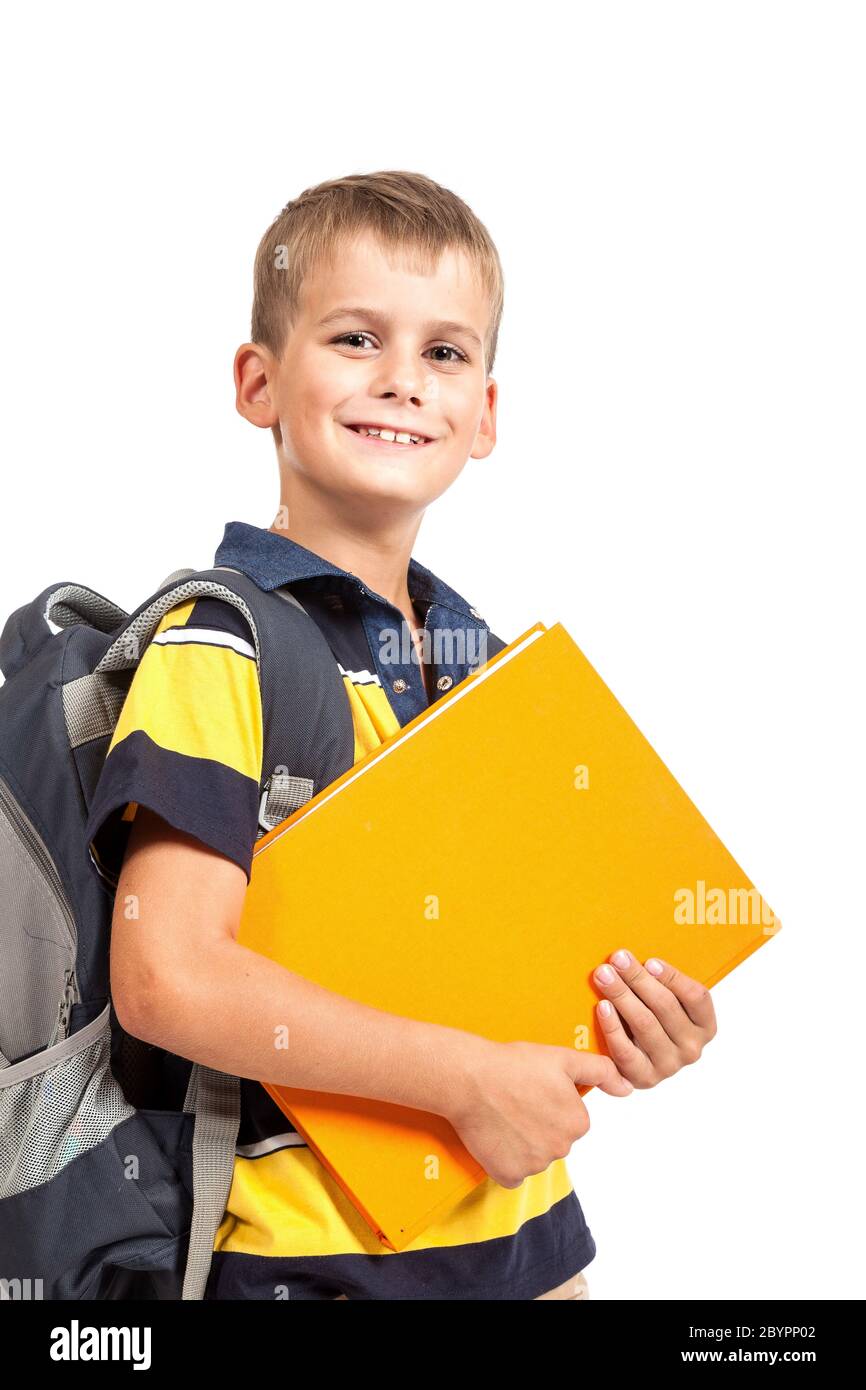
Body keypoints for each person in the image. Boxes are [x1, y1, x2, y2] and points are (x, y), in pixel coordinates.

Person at [85, 170, 716, 1301]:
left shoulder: (490, 662)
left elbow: (500, 968)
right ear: (258, 381)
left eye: (443, 353)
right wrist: (466, 1077)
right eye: (354, 337)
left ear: (484, 415)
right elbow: (166, 976)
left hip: (527, 1244)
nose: (399, 381)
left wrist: (631, 1019)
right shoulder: (220, 643)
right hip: (312, 1266)